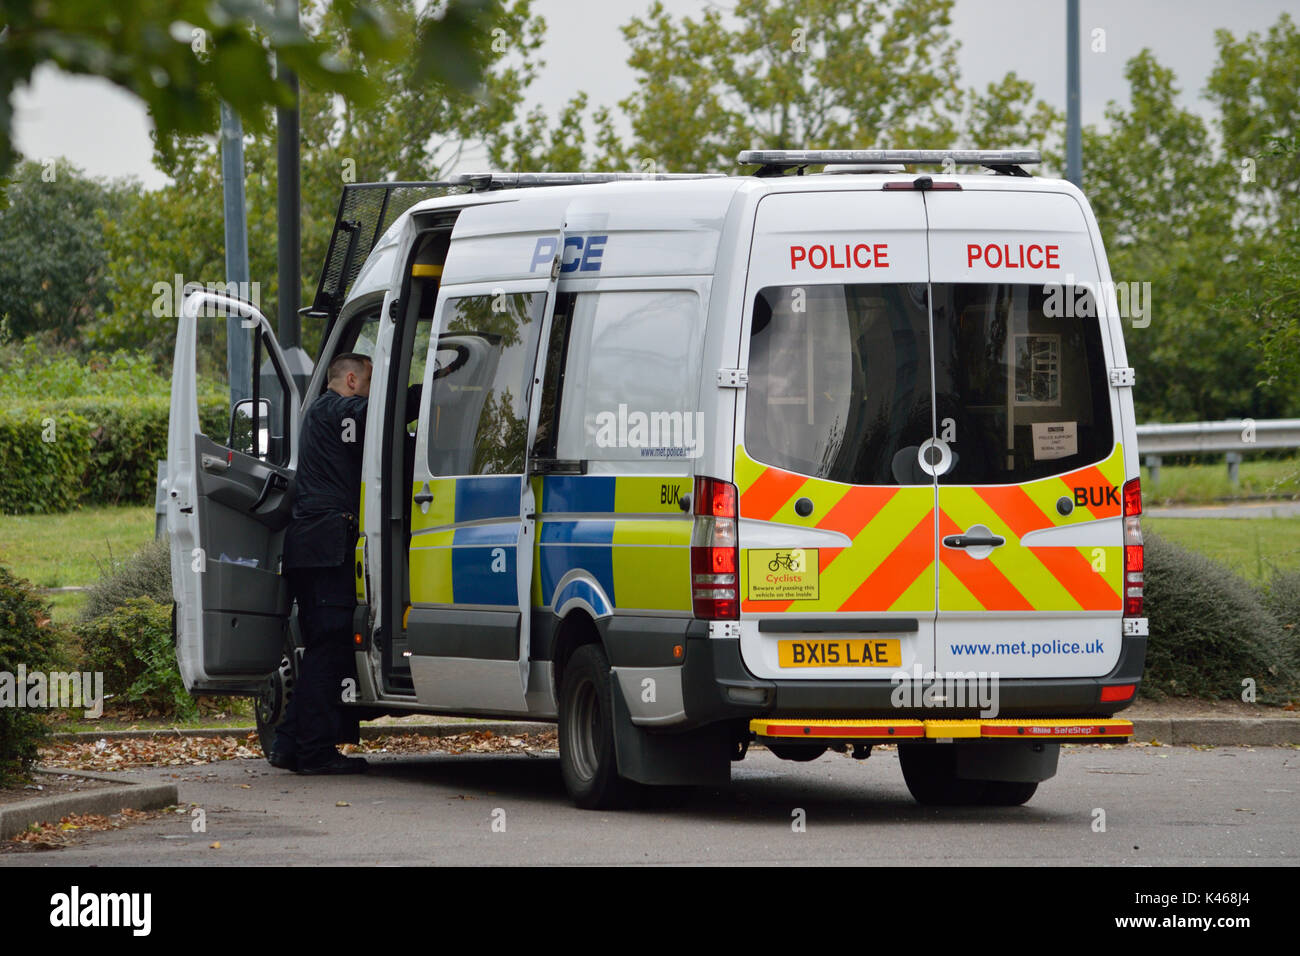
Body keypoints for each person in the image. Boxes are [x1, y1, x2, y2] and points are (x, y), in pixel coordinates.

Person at [269, 353, 375, 774]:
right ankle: (314, 752)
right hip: (327, 545)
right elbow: (378, 414)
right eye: (369, 381)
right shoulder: (340, 411)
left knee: (317, 650)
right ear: (350, 379)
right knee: (329, 648)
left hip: (307, 546)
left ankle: (288, 744)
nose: (370, 390)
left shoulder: (315, 413)